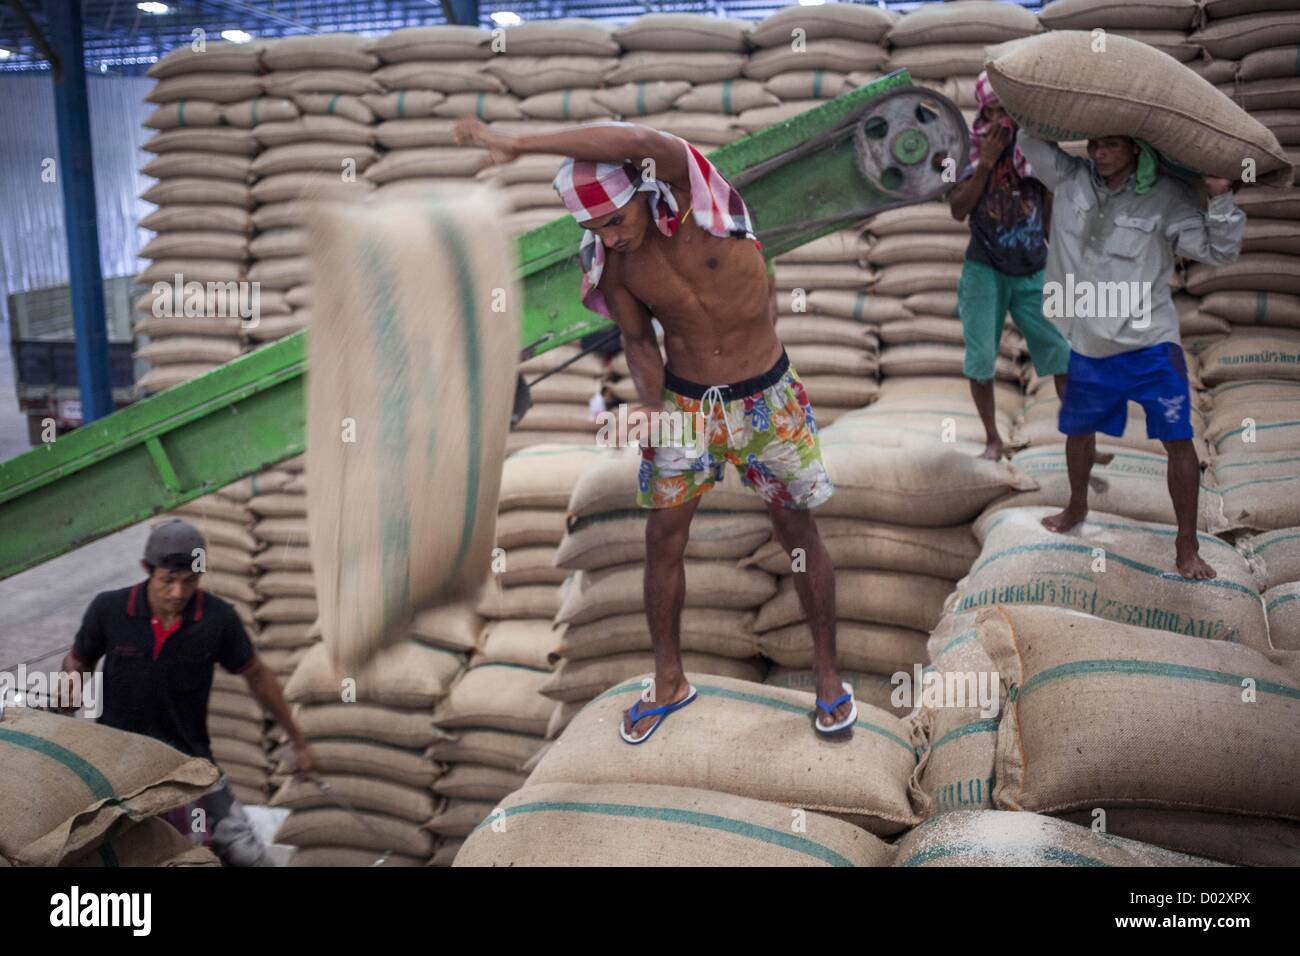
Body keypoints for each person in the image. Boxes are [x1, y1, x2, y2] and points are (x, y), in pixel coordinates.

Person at [454, 117, 853, 740]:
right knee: (663, 539)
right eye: (594, 231)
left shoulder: (695, 192)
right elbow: (639, 343)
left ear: (643, 190)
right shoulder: (615, 267)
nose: (609, 239)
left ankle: (828, 676)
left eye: (614, 221)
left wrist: (520, 142)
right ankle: (670, 680)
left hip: (767, 397)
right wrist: (654, 410)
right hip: (688, 405)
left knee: (795, 527)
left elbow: (636, 142)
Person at [1016, 129, 1245, 578]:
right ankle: (1076, 507)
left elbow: (1220, 251)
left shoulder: (1165, 197)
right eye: (1095, 144)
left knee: (1178, 439)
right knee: (1079, 428)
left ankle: (1186, 546)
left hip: (1149, 341)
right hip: (1089, 339)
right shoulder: (1068, 178)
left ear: (1136, 149)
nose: (1099, 153)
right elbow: (1029, 138)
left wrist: (1219, 199)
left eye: (1111, 145)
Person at [60, 518, 318, 864]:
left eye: (190, 582)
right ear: (147, 570)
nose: (178, 593)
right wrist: (67, 707)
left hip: (188, 760)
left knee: (244, 851)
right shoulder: (109, 609)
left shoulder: (217, 619)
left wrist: (298, 741)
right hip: (118, 761)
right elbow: (79, 662)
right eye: (168, 580)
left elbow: (257, 676)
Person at [948, 72, 1072, 459]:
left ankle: (1079, 439)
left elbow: (1048, 195)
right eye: (994, 110)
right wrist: (985, 164)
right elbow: (957, 209)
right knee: (981, 359)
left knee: (1062, 354)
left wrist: (1055, 247)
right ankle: (992, 439)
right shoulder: (966, 147)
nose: (1002, 119)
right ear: (983, 107)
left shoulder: (1036, 145)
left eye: (1008, 110)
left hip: (1034, 267)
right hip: (985, 269)